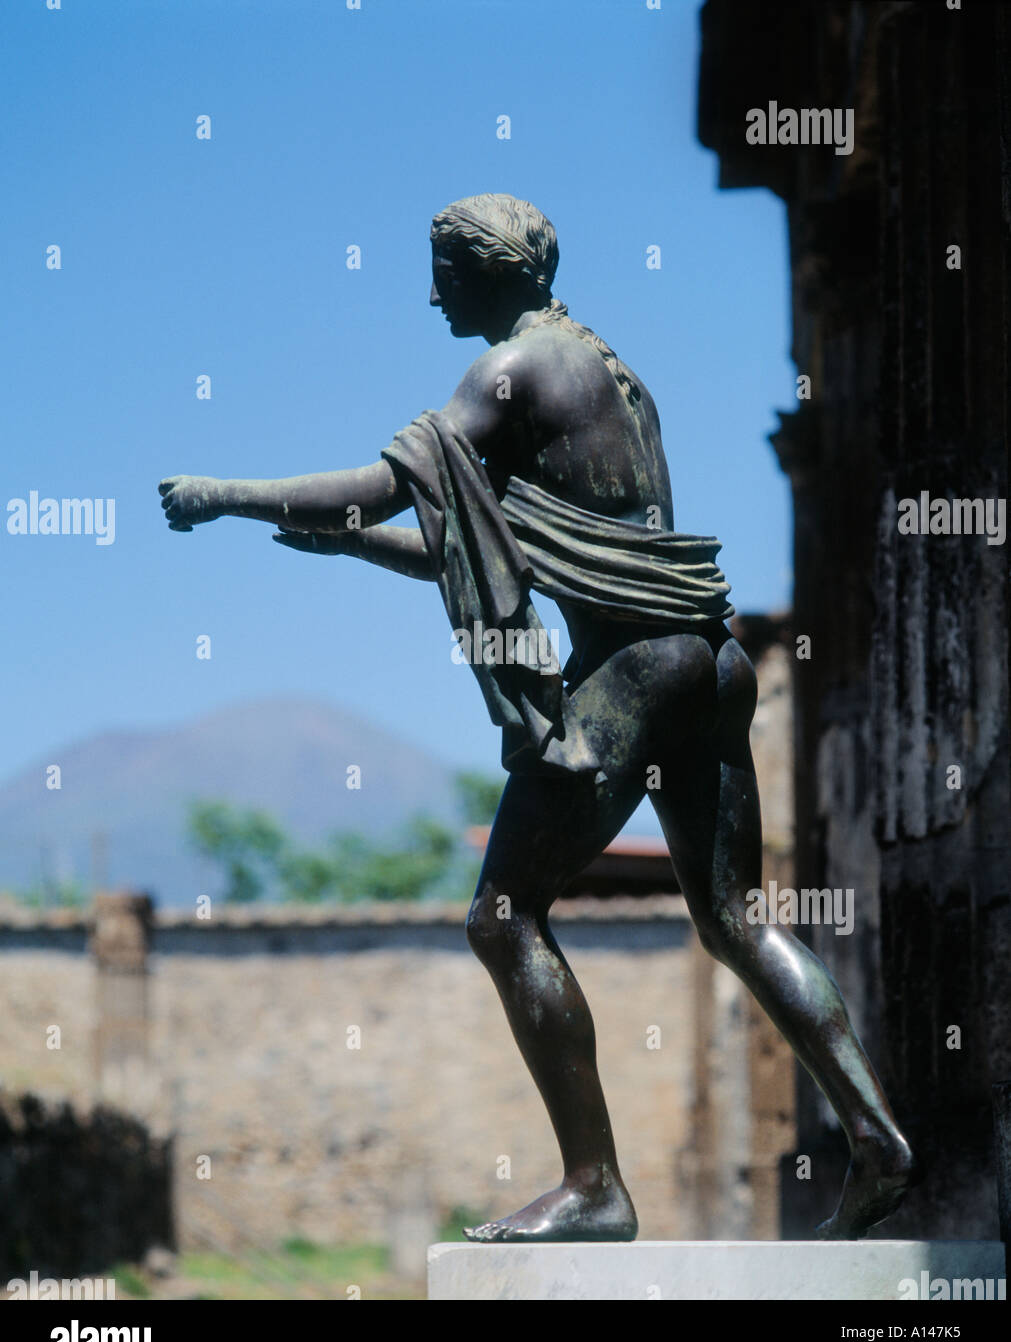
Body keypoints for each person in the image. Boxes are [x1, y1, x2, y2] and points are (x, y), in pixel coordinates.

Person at [159, 193, 918, 1242]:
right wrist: (346, 544)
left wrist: (227, 494)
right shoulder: (615, 376)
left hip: (636, 671)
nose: (434, 294)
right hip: (713, 658)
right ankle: (879, 1139)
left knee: (502, 916)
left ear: (495, 268)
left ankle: (597, 1184)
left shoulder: (509, 371)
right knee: (738, 916)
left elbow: (385, 487)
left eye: (446, 272)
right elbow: (467, 543)